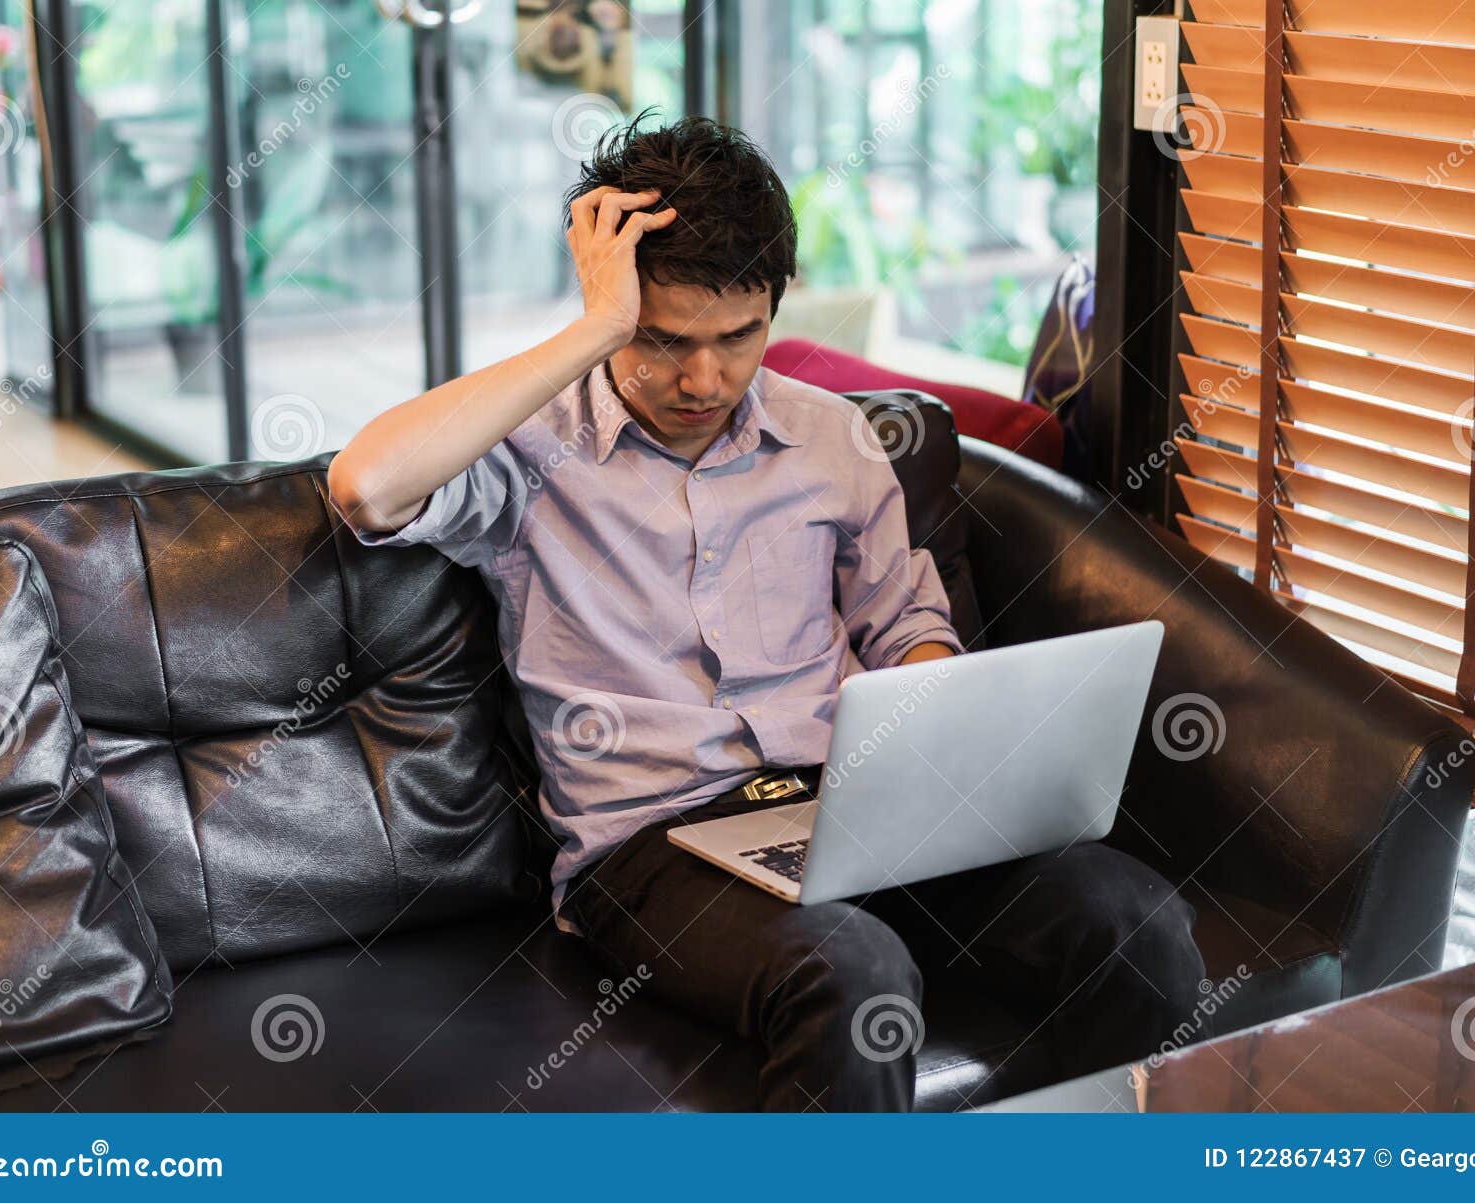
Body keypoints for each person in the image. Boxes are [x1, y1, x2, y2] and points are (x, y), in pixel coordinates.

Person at [328, 114, 1206, 1111]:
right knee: (850, 973)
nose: (702, 379)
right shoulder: (534, 451)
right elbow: (366, 488)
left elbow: (905, 621)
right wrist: (592, 332)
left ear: (775, 306)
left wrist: (935, 730)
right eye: (661, 341)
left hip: (854, 805)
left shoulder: (832, 437)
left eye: (736, 338)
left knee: (1133, 921)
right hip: (654, 846)